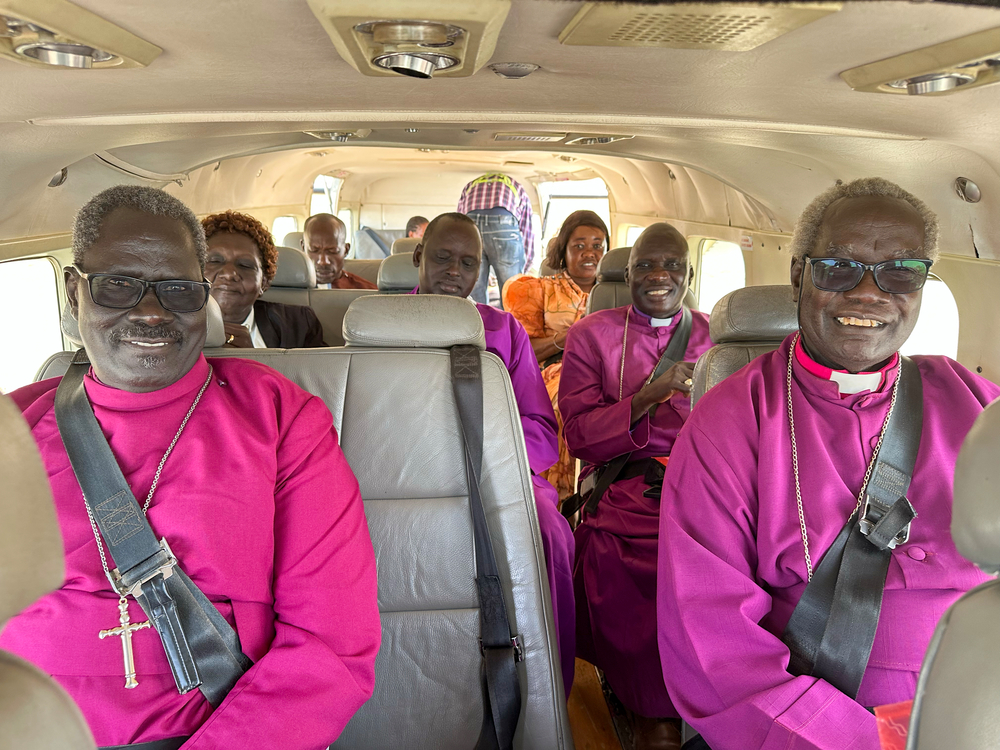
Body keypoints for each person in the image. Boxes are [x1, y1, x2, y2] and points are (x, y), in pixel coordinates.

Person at [2, 185, 381, 748]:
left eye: (178, 290)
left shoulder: (279, 421)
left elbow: (331, 643)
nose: (151, 312)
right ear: (74, 291)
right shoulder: (15, 425)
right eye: (119, 285)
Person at [656, 177, 1000, 750]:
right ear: (799, 275)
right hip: (821, 722)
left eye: (900, 271)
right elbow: (713, 645)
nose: (870, 293)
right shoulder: (730, 420)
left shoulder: (975, 400)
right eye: (839, 267)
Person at [558, 222, 713, 748]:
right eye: (647, 265)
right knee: (645, 558)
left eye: (672, 265)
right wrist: (649, 398)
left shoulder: (719, 337)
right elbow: (579, 437)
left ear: (690, 274)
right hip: (627, 481)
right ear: (627, 274)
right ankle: (651, 707)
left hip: (710, 483)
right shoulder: (592, 335)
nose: (660, 276)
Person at [412, 212, 576, 694]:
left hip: (498, 472)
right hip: (405, 475)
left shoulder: (504, 331)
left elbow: (541, 428)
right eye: (442, 258)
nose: (454, 271)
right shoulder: (378, 325)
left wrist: (484, 457)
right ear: (419, 257)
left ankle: (548, 689)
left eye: (468, 262)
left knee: (552, 531)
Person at [503, 210, 609, 500]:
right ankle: (561, 500)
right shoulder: (539, 290)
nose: (590, 253)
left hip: (613, 372)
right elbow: (523, 351)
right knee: (567, 404)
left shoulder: (621, 295)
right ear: (564, 251)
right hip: (555, 371)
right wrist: (568, 337)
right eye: (579, 245)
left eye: (598, 245)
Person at [202, 210, 326, 348]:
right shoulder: (174, 324)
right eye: (214, 261)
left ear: (264, 282)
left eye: (245, 265)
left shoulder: (299, 324)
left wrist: (255, 360)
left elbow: (320, 370)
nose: (230, 273)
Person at [457, 173, 536, 307]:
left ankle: (478, 324)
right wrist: (526, 265)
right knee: (511, 291)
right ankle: (511, 326)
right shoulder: (515, 185)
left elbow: (459, 221)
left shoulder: (470, 186)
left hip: (471, 224)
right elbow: (526, 229)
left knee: (474, 289)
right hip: (503, 224)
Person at [301, 213, 376, 290]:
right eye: (314, 250)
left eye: (333, 251)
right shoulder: (289, 294)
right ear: (303, 248)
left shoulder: (367, 293)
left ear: (346, 250)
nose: (323, 262)